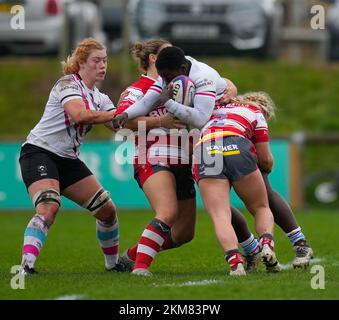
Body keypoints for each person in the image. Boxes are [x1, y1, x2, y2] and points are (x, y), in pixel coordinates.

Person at [113, 46, 265, 276]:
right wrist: (125, 115)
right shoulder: (140, 88)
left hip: (193, 151)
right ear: (154, 60)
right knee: (170, 212)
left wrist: (228, 89)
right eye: (162, 76)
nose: (165, 81)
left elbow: (209, 105)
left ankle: (134, 255)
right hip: (156, 155)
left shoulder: (197, 78)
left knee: (187, 231)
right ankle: (140, 267)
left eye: (168, 76)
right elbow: (138, 111)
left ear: (182, 66)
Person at [18, 38, 120, 275]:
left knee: (108, 211)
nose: (102, 65)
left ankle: (113, 265)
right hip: (39, 153)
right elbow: (80, 115)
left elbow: (118, 124)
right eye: (96, 60)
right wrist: (120, 113)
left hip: (67, 160)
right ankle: (25, 267)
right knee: (49, 206)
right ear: (81, 62)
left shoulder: (100, 97)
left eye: (105, 60)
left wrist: (156, 120)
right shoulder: (67, 84)